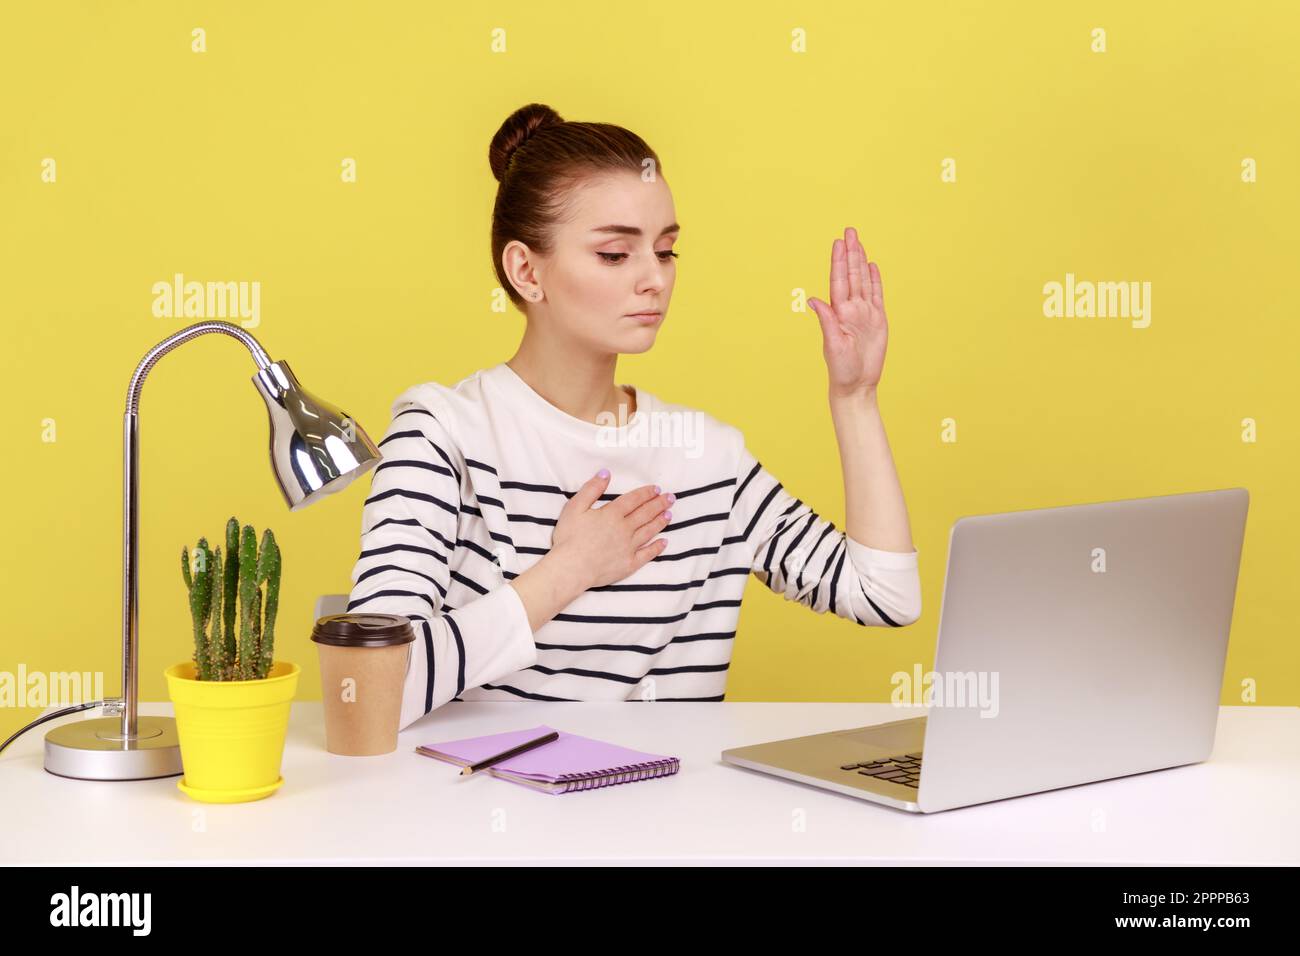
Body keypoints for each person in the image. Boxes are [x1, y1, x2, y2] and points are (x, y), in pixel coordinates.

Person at [347, 102, 922, 731]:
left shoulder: (707, 457)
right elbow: (371, 691)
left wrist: (856, 397)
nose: (655, 278)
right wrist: (569, 570)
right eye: (616, 255)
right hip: (489, 814)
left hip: (670, 818)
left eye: (667, 251)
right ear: (526, 271)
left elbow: (885, 595)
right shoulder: (441, 436)